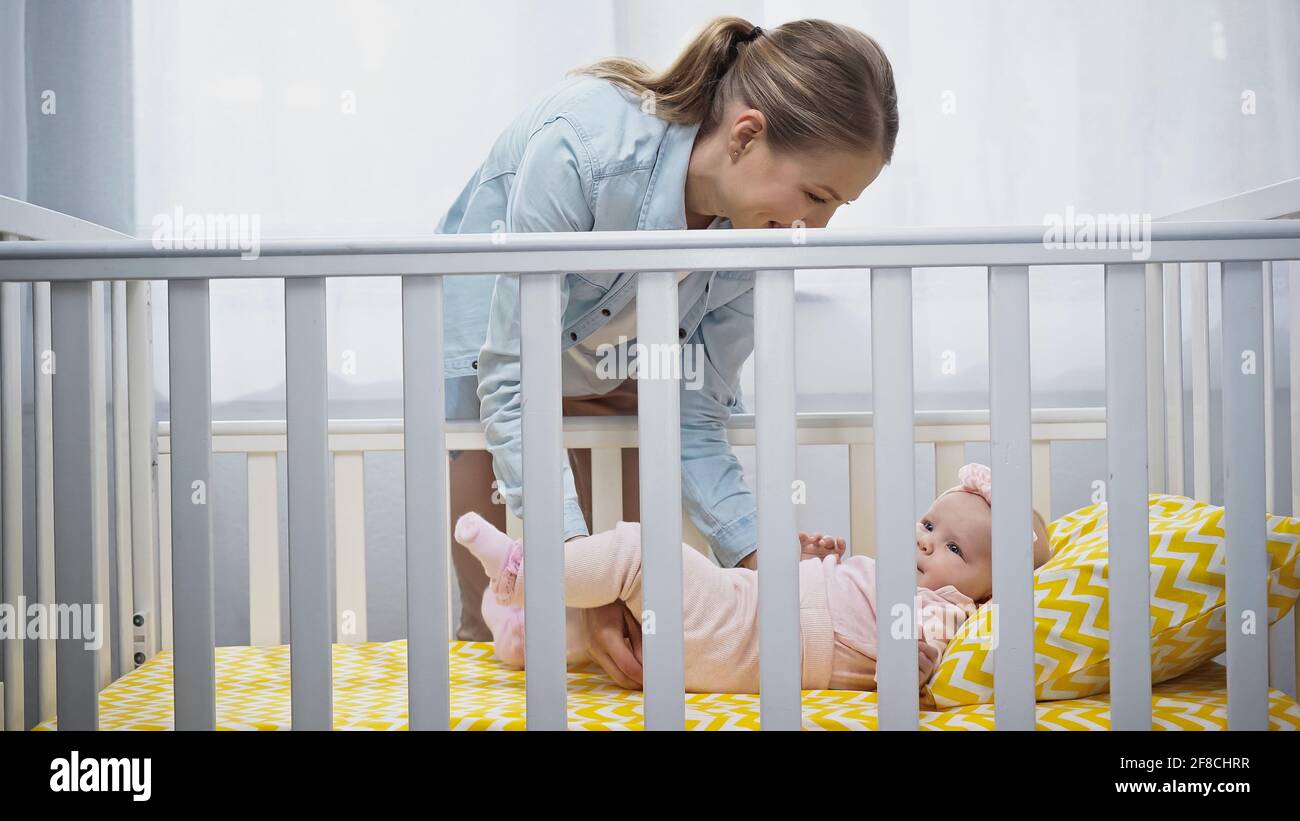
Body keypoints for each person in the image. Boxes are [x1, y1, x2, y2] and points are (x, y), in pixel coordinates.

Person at [435, 16, 899, 688]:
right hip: (498, 356)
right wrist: (581, 582)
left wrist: (760, 557)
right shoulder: (584, 148)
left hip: (612, 363)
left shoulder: (754, 239)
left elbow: (692, 414)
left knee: (633, 608)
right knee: (511, 620)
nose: (818, 227)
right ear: (746, 134)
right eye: (816, 196)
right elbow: (514, 378)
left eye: (840, 206)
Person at [454, 463, 1052, 692]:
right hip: (748, 622)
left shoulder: (946, 608)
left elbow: (917, 658)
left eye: (953, 546)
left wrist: (911, 666)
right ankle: (531, 635)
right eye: (928, 523)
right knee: (635, 617)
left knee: (642, 553)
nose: (925, 540)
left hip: (747, 635)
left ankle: (523, 572)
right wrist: (810, 563)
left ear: (988, 590)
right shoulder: (892, 579)